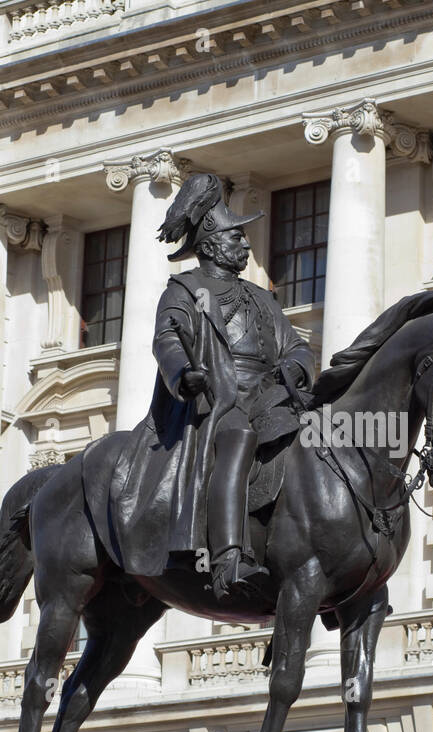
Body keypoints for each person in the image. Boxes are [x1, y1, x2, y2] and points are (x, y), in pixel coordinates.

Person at [148, 173, 316, 599]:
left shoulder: (263, 298)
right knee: (238, 434)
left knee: (324, 439)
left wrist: (296, 367)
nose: (245, 245)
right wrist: (183, 374)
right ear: (209, 244)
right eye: (235, 237)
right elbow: (168, 337)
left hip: (271, 394)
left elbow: (294, 345)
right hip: (216, 395)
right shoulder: (185, 289)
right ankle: (227, 559)